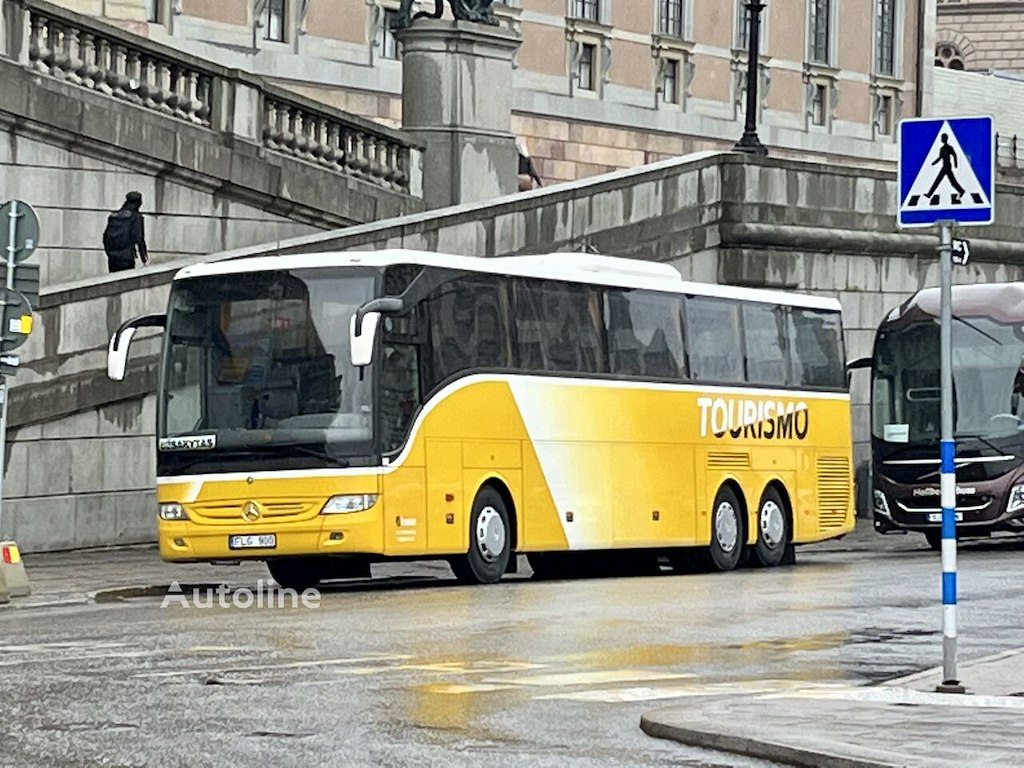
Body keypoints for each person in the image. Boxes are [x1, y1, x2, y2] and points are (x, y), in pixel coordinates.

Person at [103, 191, 149, 273]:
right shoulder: (136, 217)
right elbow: (139, 239)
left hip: (113, 257)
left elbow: (105, 237)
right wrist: (144, 259)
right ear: (138, 203)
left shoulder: (114, 216)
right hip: (127, 256)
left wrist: (109, 253)